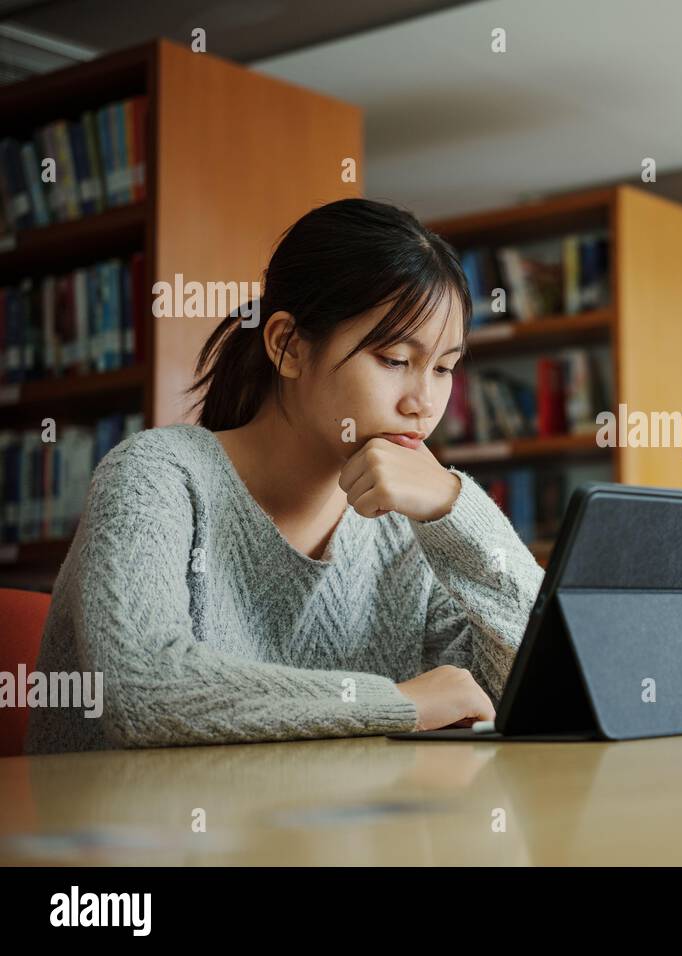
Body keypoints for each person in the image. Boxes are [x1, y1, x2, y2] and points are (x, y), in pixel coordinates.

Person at [24, 198, 544, 754]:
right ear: (288, 346)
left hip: (307, 831)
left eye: (444, 368)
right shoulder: (156, 476)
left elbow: (533, 686)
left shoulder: (408, 531)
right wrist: (401, 704)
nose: (424, 402)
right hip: (132, 832)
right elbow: (144, 689)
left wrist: (454, 506)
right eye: (395, 359)